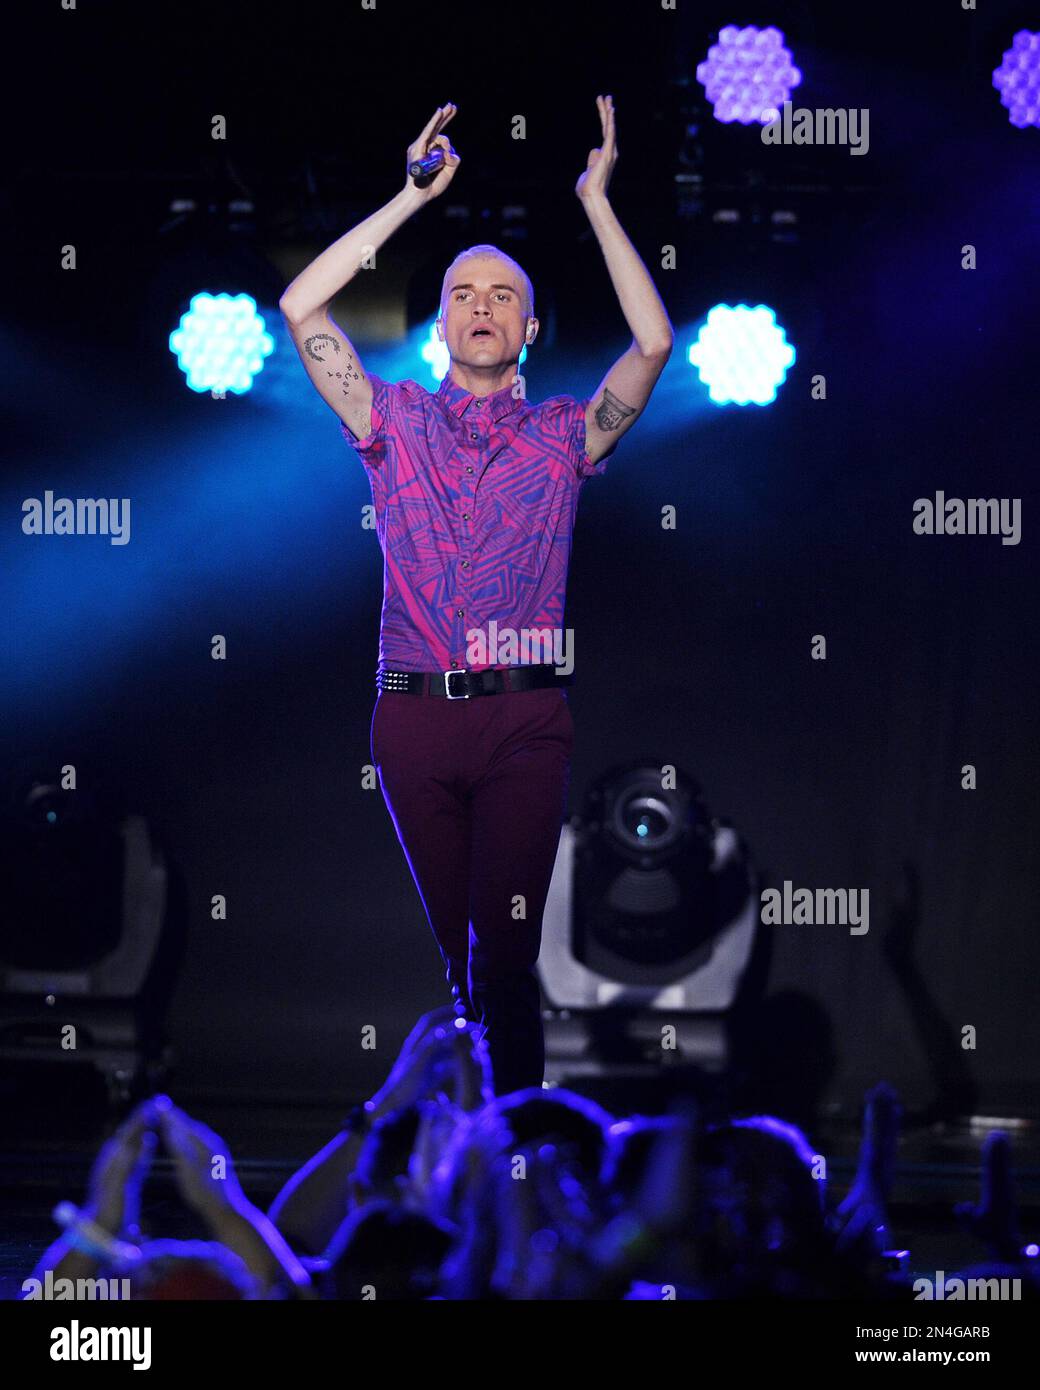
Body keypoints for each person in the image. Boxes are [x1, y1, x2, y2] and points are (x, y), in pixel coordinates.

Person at [280, 97, 673, 1096]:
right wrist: (409, 198)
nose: (483, 305)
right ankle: (472, 1174)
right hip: (410, 721)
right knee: (461, 970)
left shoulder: (561, 436)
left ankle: (522, 1170)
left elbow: (654, 343)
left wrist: (595, 202)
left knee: (503, 961)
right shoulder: (392, 419)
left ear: (529, 327)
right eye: (464, 293)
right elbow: (299, 308)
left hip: (520, 720)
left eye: (503, 294)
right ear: (443, 321)